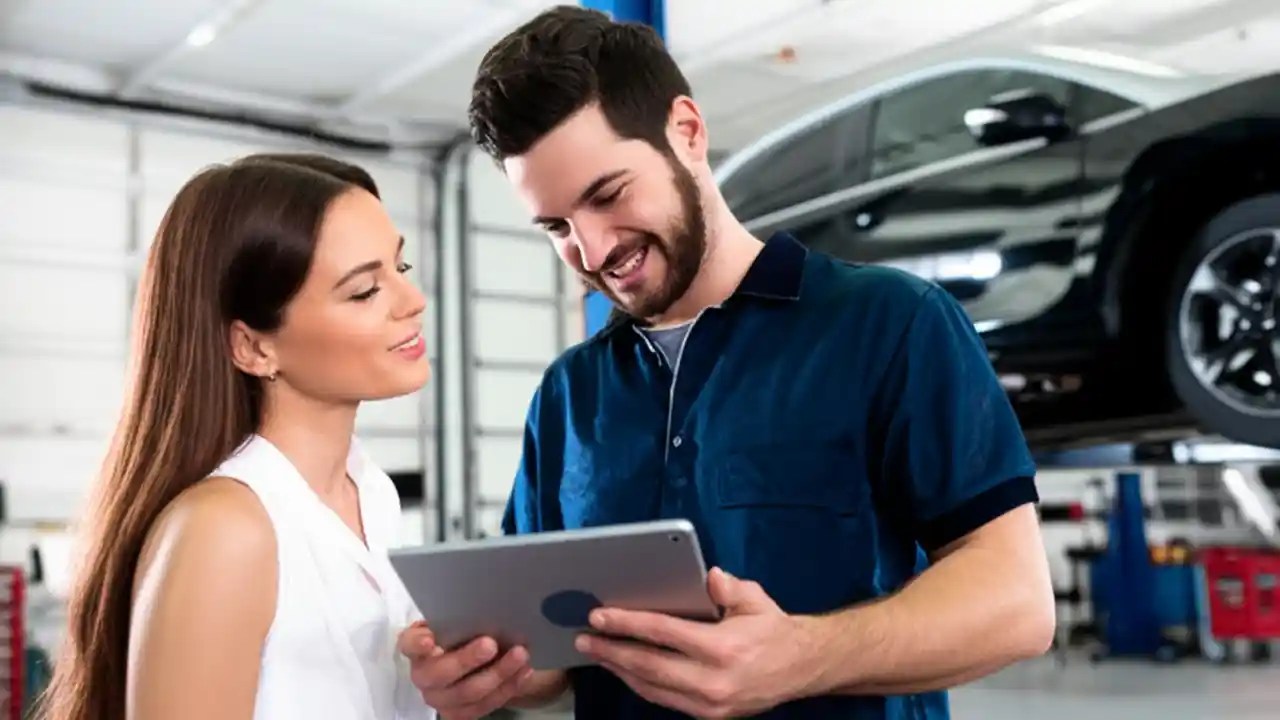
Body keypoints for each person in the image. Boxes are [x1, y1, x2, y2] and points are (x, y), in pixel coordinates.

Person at [398, 6, 1056, 720]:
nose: (592, 251)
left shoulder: (892, 324)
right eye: (557, 226)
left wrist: (804, 656)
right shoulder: (569, 394)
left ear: (687, 131)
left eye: (608, 195)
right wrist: (491, 670)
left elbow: (1016, 604)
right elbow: (552, 658)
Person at [40, 153, 438, 720]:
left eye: (402, 267)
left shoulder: (372, 494)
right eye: (364, 291)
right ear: (254, 347)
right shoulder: (225, 530)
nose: (413, 301)